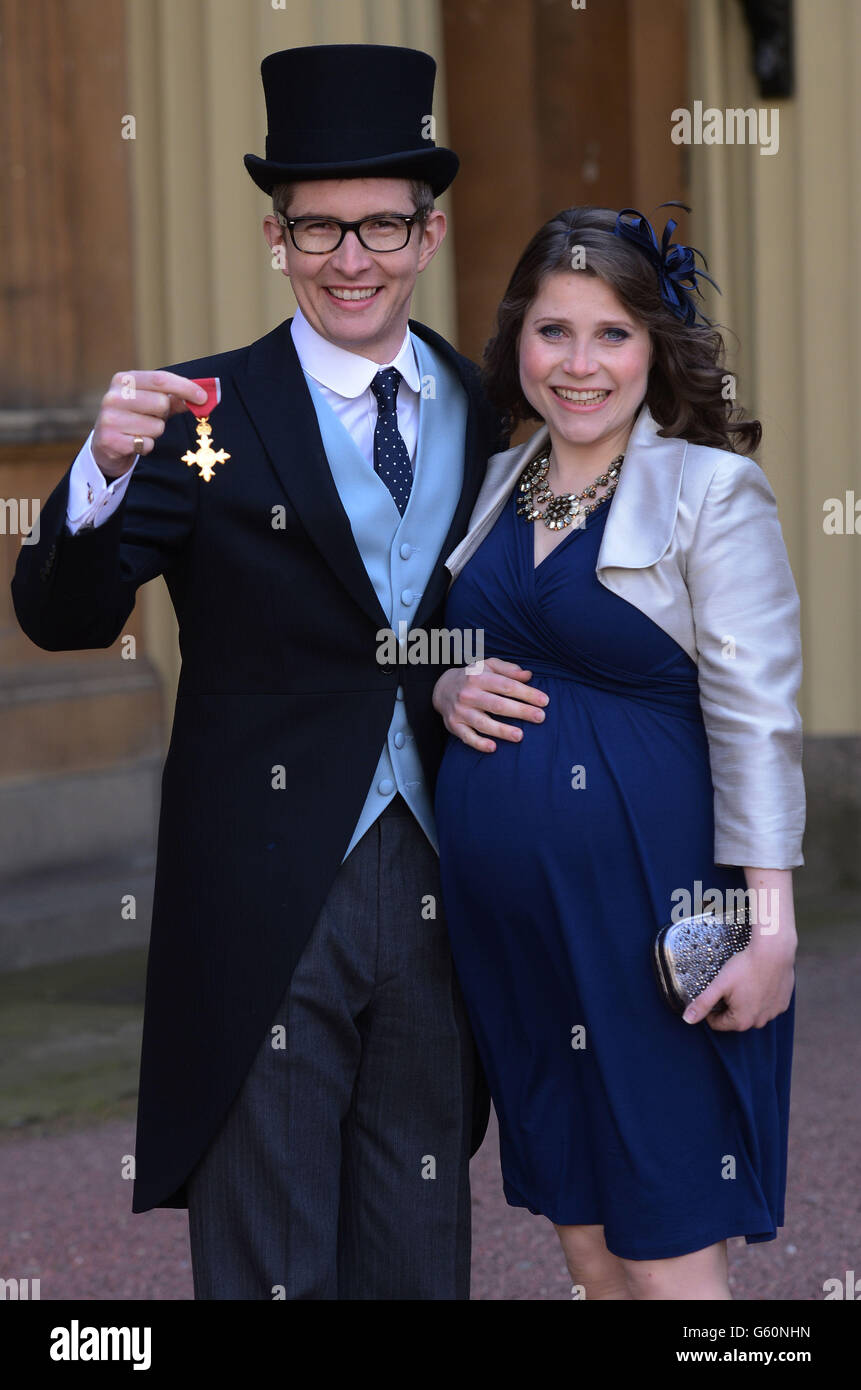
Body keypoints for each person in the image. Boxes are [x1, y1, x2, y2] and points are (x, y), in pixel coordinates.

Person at [11, 44, 508, 1300]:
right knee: (270, 1262)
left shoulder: (487, 407)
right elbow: (64, 616)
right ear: (277, 238)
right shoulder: (201, 414)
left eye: (382, 225)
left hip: (449, 874)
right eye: (319, 228)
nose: (353, 258)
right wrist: (97, 477)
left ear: (430, 232)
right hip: (264, 890)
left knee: (417, 1249)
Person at [431, 204, 804, 1300]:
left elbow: (757, 714)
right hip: (520, 938)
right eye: (553, 332)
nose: (579, 364)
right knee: (589, 1246)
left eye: (612, 334)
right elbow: (454, 626)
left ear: (657, 347)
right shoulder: (504, 478)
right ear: (518, 343)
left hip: (659, 916)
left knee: (668, 1244)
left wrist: (772, 930)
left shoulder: (709, 493)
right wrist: (448, 676)